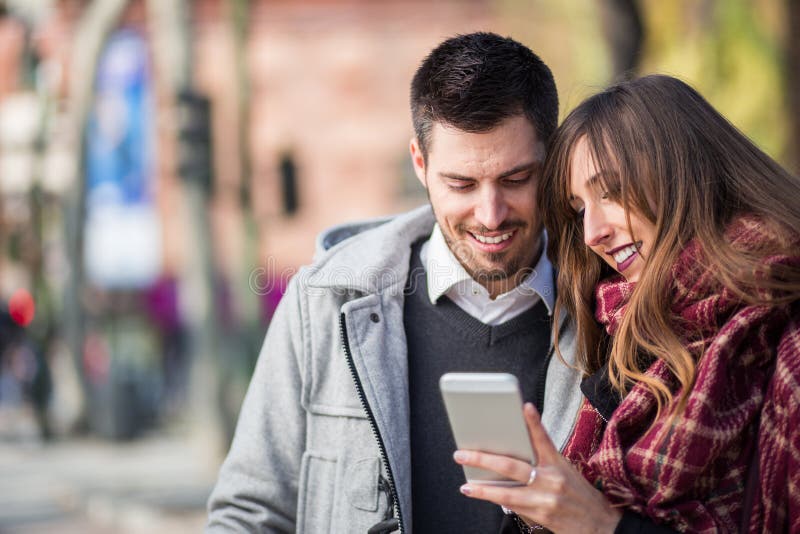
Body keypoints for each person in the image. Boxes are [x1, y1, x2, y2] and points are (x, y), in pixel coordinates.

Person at [206, 32, 585, 533]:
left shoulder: (615, 305)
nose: (490, 214)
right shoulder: (322, 302)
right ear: (420, 163)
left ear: (553, 158)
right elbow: (248, 513)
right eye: (461, 184)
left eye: (516, 180)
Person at [454, 74, 800, 532]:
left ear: (683, 172)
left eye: (611, 191)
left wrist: (599, 523)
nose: (593, 232)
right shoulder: (626, 334)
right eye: (579, 210)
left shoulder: (783, 332)